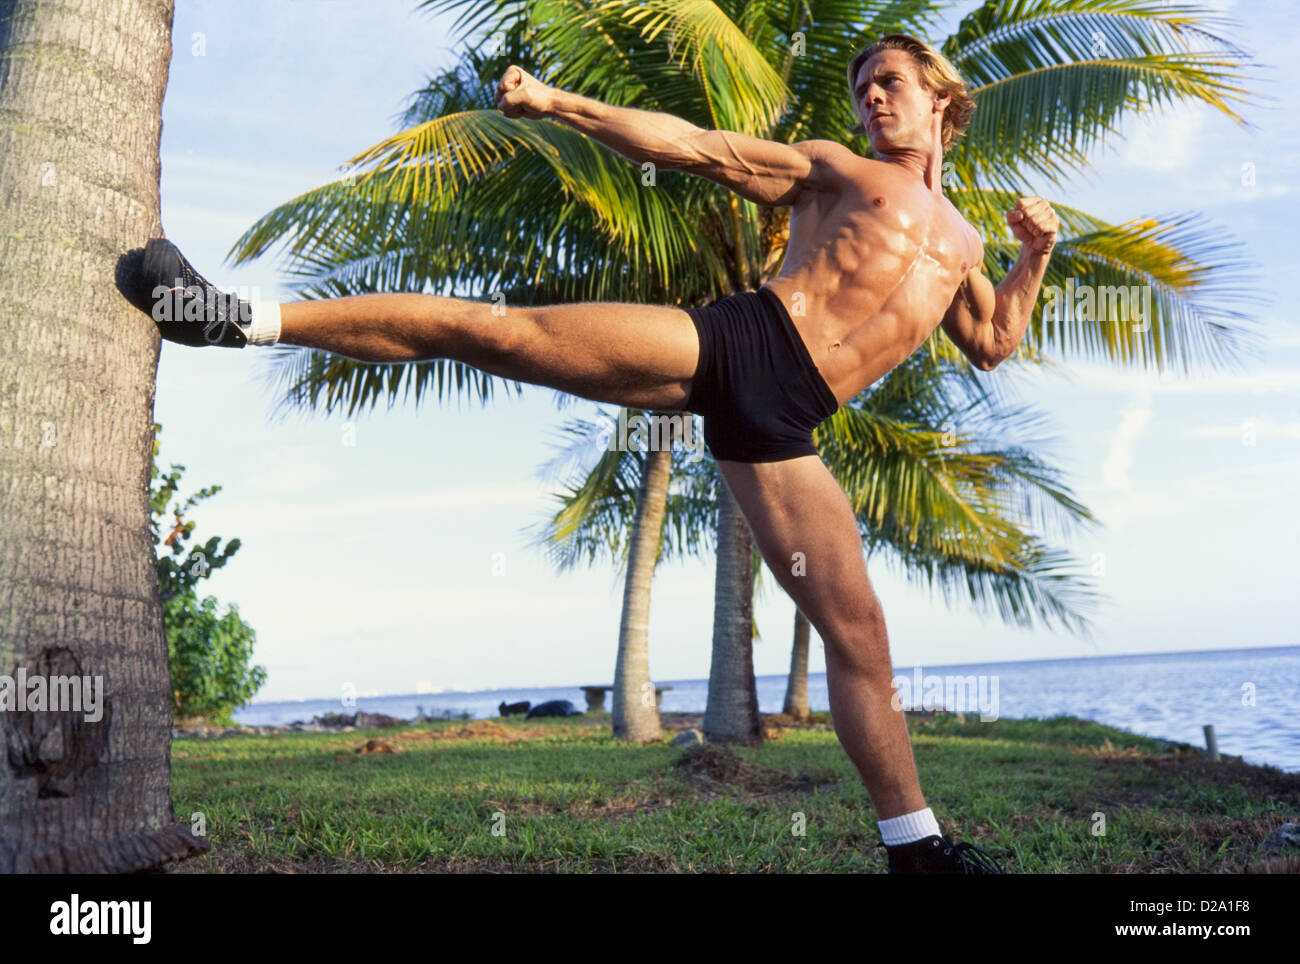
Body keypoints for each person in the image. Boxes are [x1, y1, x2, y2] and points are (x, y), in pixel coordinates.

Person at [124, 33, 1059, 873]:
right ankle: (236, 319)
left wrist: (1037, 253)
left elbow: (996, 339)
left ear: (941, 97)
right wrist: (560, 104)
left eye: (887, 82)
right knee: (502, 331)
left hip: (787, 425)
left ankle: (919, 851)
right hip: (742, 343)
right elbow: (693, 147)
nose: (870, 100)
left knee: (862, 638)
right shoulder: (839, 171)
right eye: (861, 88)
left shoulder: (965, 246)